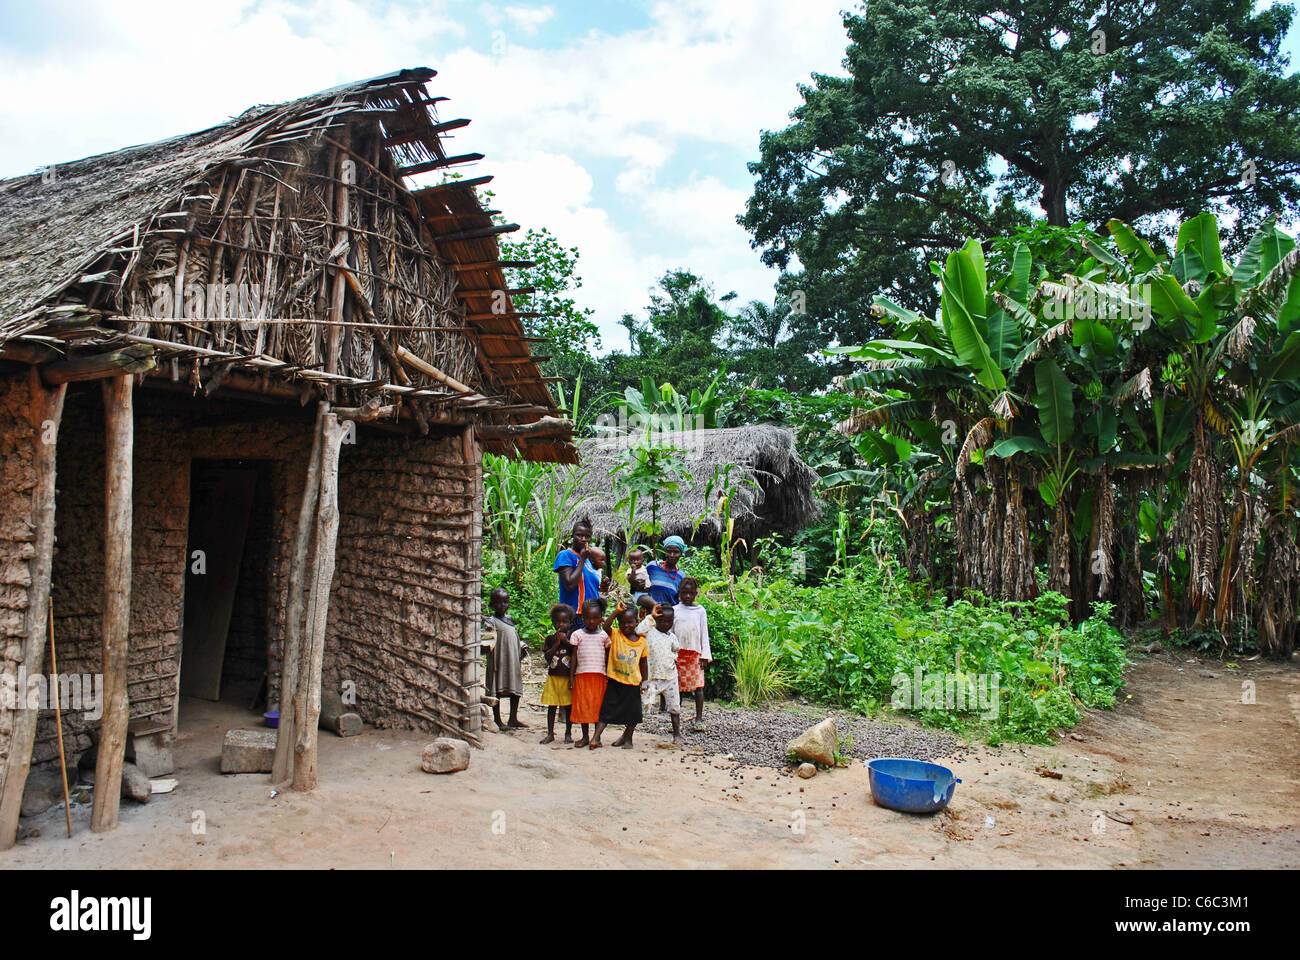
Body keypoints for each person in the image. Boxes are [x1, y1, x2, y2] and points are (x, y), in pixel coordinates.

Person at [591, 603, 647, 750]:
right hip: (615, 680)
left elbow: (644, 662)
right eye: (622, 622)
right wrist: (616, 612)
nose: (626, 625)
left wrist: (645, 682)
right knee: (606, 711)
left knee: (634, 713)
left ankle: (627, 738)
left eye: (630, 622)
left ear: (636, 622)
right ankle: (596, 738)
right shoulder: (616, 634)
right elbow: (605, 626)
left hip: (633, 683)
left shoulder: (642, 641)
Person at [568, 597, 611, 748]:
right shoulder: (577, 635)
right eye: (587, 618)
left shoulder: (604, 636)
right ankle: (585, 736)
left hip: (599, 676)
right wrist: (571, 677)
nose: (591, 621)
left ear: (601, 618)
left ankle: (596, 737)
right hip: (581, 675)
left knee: (598, 707)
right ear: (582, 617)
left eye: (595, 618)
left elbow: (607, 657)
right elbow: (574, 656)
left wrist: (608, 675)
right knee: (583, 707)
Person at [553, 520, 609, 631]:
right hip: (575, 616)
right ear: (572, 536)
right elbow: (570, 584)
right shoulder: (565, 555)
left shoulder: (589, 561)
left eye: (587, 536)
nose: (583, 539)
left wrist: (603, 588)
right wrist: (582, 559)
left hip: (591, 617)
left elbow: (589, 587)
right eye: (579, 535)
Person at [639, 603, 682, 745]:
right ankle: (629, 732)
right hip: (650, 677)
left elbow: (676, 650)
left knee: (674, 707)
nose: (666, 624)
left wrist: (673, 659)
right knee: (643, 705)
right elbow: (638, 630)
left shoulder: (672, 637)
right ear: (656, 620)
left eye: (669, 621)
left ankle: (677, 734)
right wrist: (651, 616)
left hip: (670, 678)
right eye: (662, 620)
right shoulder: (649, 632)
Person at [486, 588, 528, 731]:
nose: (502, 605)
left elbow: (513, 636)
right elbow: (488, 636)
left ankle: (513, 718)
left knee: (515, 689)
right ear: (492, 604)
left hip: (512, 659)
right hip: (499, 660)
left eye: (505, 602)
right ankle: (498, 720)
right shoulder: (491, 621)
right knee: (497, 687)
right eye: (498, 603)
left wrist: (521, 646)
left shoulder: (509, 619)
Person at [673, 577, 711, 732]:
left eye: (691, 593)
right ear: (679, 593)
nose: (687, 596)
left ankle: (699, 718)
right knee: (678, 688)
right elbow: (670, 633)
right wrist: (670, 655)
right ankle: (676, 719)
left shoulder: (700, 611)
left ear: (696, 594)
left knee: (698, 687)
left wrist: (705, 655)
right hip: (678, 655)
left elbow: (704, 634)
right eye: (684, 593)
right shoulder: (674, 610)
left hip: (695, 654)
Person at [539, 603, 575, 744]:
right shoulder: (550, 639)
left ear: (570, 623)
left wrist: (566, 642)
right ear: (553, 623)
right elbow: (547, 657)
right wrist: (557, 644)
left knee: (568, 706)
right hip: (553, 678)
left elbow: (575, 655)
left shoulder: (572, 638)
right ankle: (550, 733)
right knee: (552, 706)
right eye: (558, 621)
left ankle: (568, 733)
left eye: (565, 622)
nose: (561, 624)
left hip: (567, 678)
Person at [645, 535, 686, 606]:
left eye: (676, 552)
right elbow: (640, 588)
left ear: (681, 554)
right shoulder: (652, 567)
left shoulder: (681, 576)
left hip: (669, 614)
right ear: (665, 552)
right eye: (669, 551)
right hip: (649, 613)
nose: (672, 555)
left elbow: (681, 601)